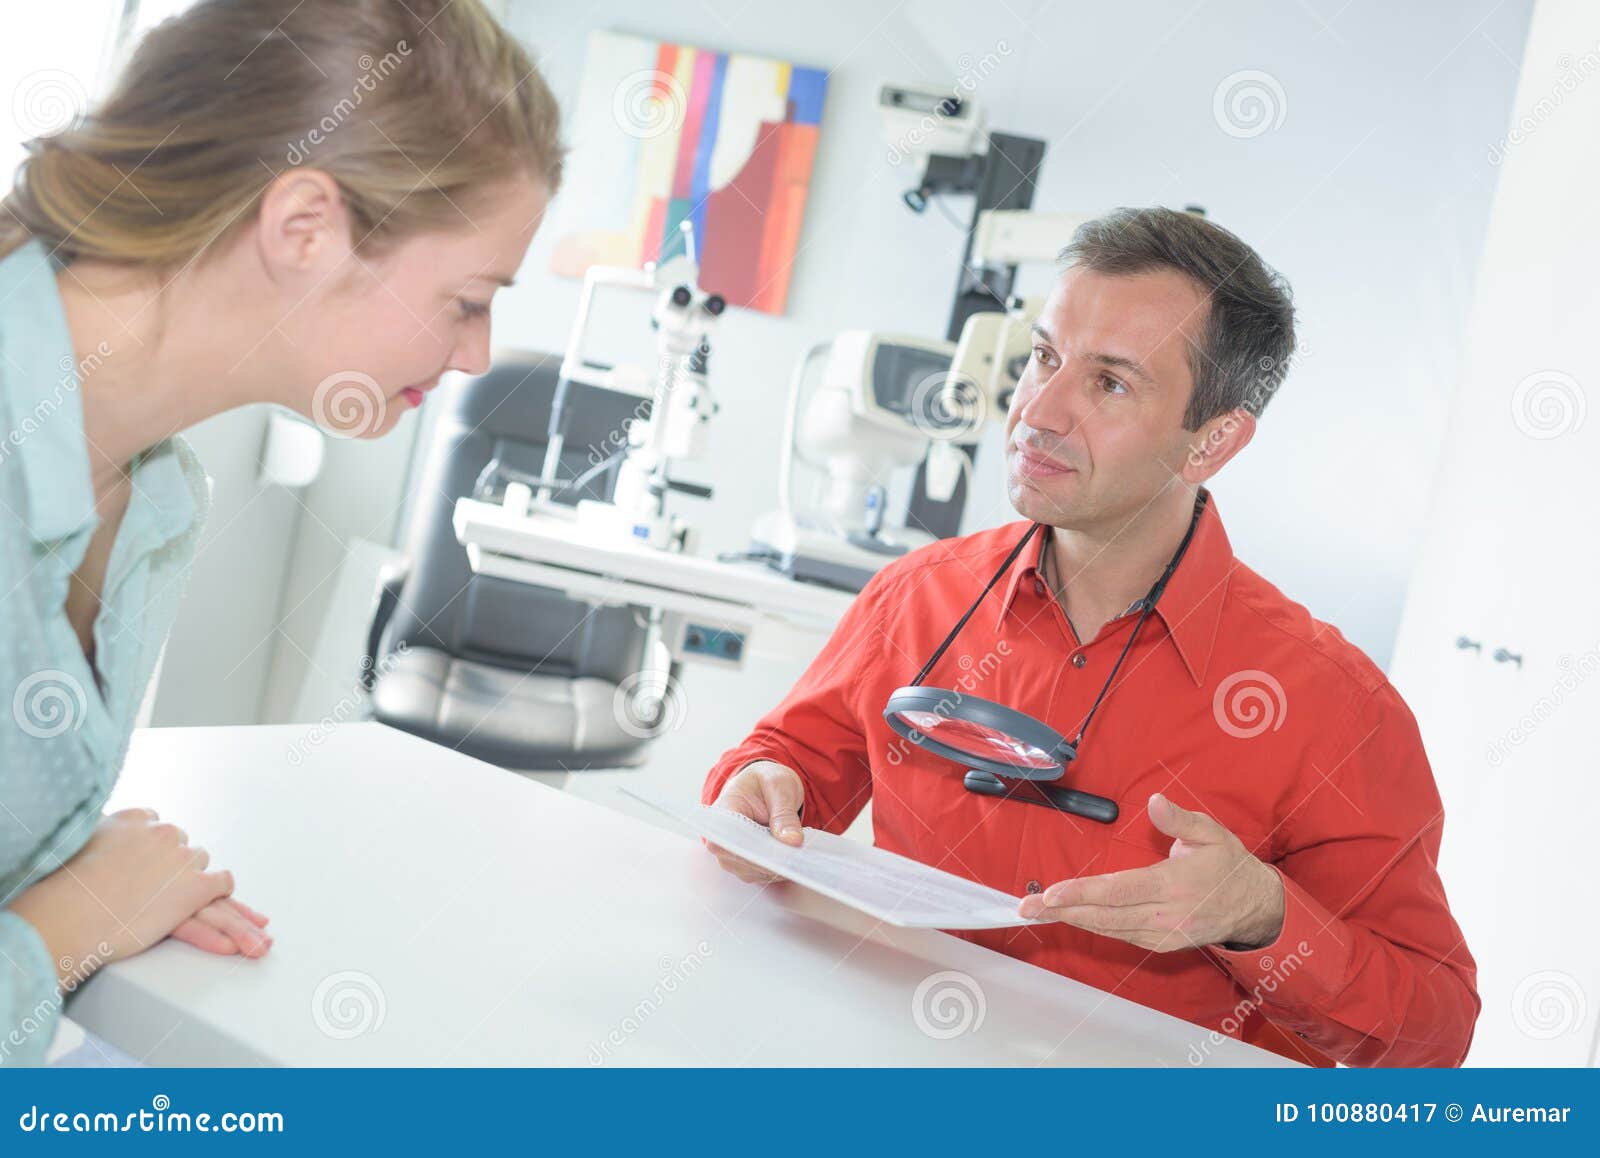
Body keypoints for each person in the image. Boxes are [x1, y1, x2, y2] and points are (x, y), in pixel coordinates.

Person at [703, 207, 1480, 1067]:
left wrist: (1263, 915)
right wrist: (756, 787)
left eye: (1109, 383)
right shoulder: (916, 597)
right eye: (1044, 357)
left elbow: (1434, 1034)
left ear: (1212, 442)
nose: (1037, 412)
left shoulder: (1336, 708)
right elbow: (781, 773)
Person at [0, 0, 563, 1066]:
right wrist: (72, 922)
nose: (478, 354)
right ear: (304, 228)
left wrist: (58, 873)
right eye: (468, 298)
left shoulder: (155, 494)